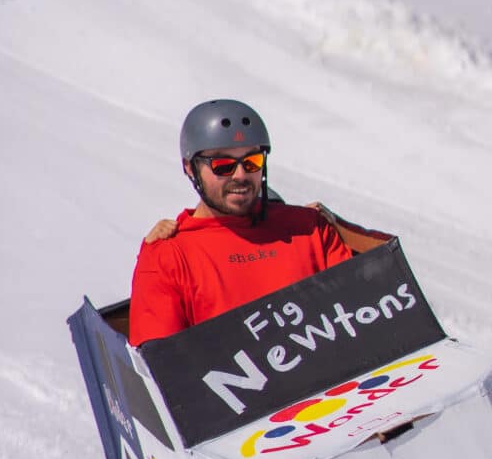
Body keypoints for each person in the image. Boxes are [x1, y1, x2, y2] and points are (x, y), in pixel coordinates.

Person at [128, 100, 353, 344]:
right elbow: (161, 359)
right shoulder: (168, 256)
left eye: (252, 162)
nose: (241, 175)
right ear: (190, 168)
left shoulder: (308, 229)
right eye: (223, 165)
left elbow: (364, 309)